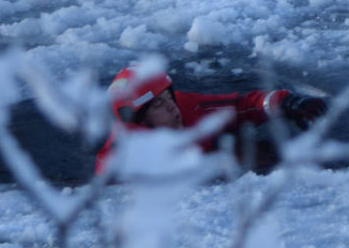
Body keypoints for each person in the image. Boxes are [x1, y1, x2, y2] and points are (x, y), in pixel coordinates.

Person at [96, 65, 327, 175]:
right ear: (139, 121)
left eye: (168, 96)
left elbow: (244, 106)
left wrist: (287, 103)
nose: (171, 106)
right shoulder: (121, 159)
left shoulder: (187, 107)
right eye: (158, 104)